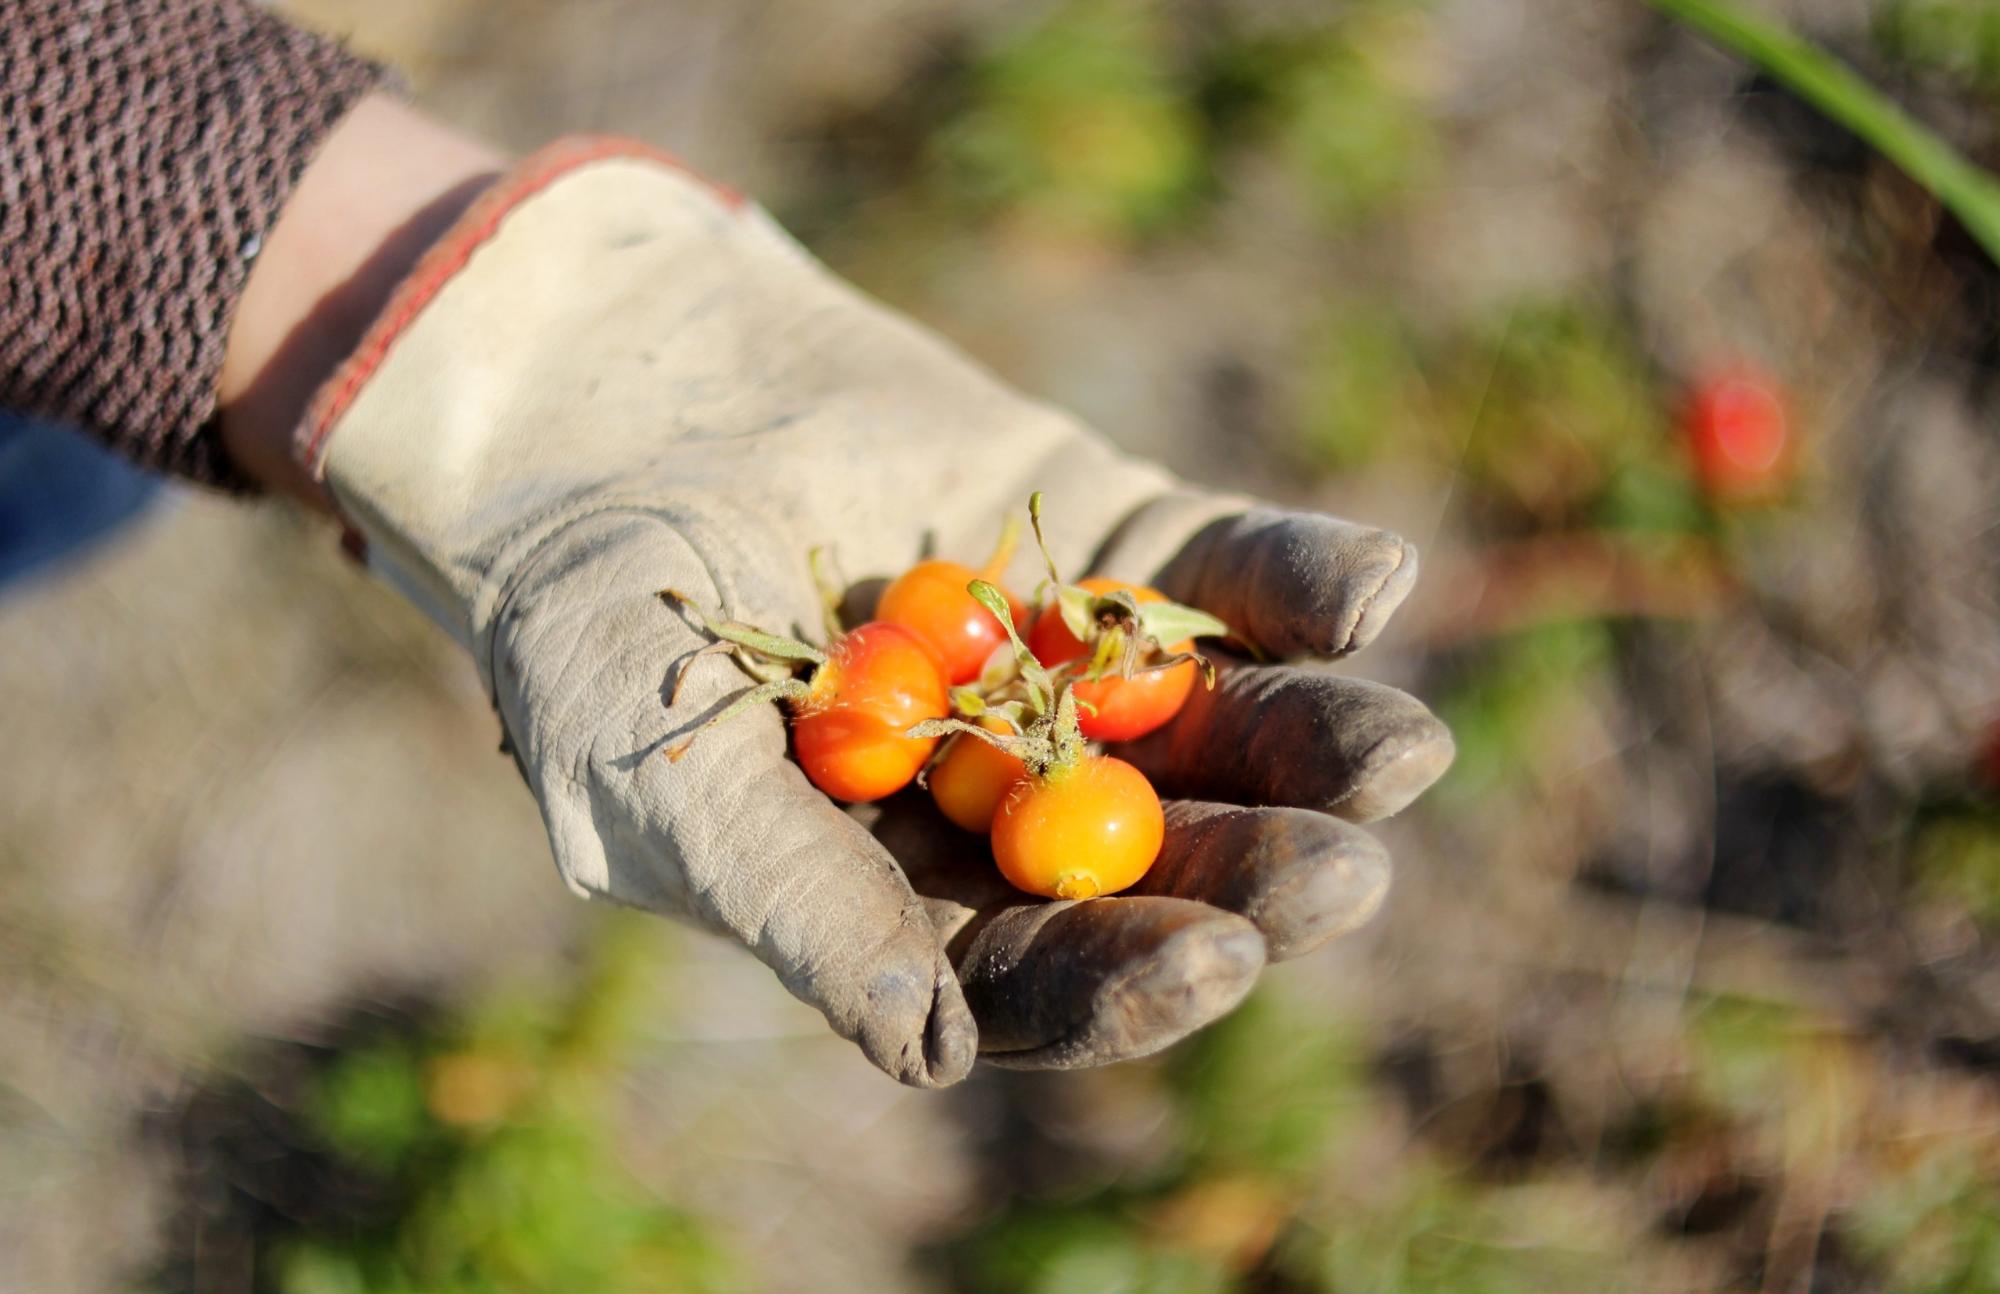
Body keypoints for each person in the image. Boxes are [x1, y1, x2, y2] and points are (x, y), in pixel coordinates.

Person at [2, 0, 1454, 1087]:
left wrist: (425, 306)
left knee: (63, 484)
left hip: (78, 316)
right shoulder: (960, 706)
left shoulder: (946, 702)